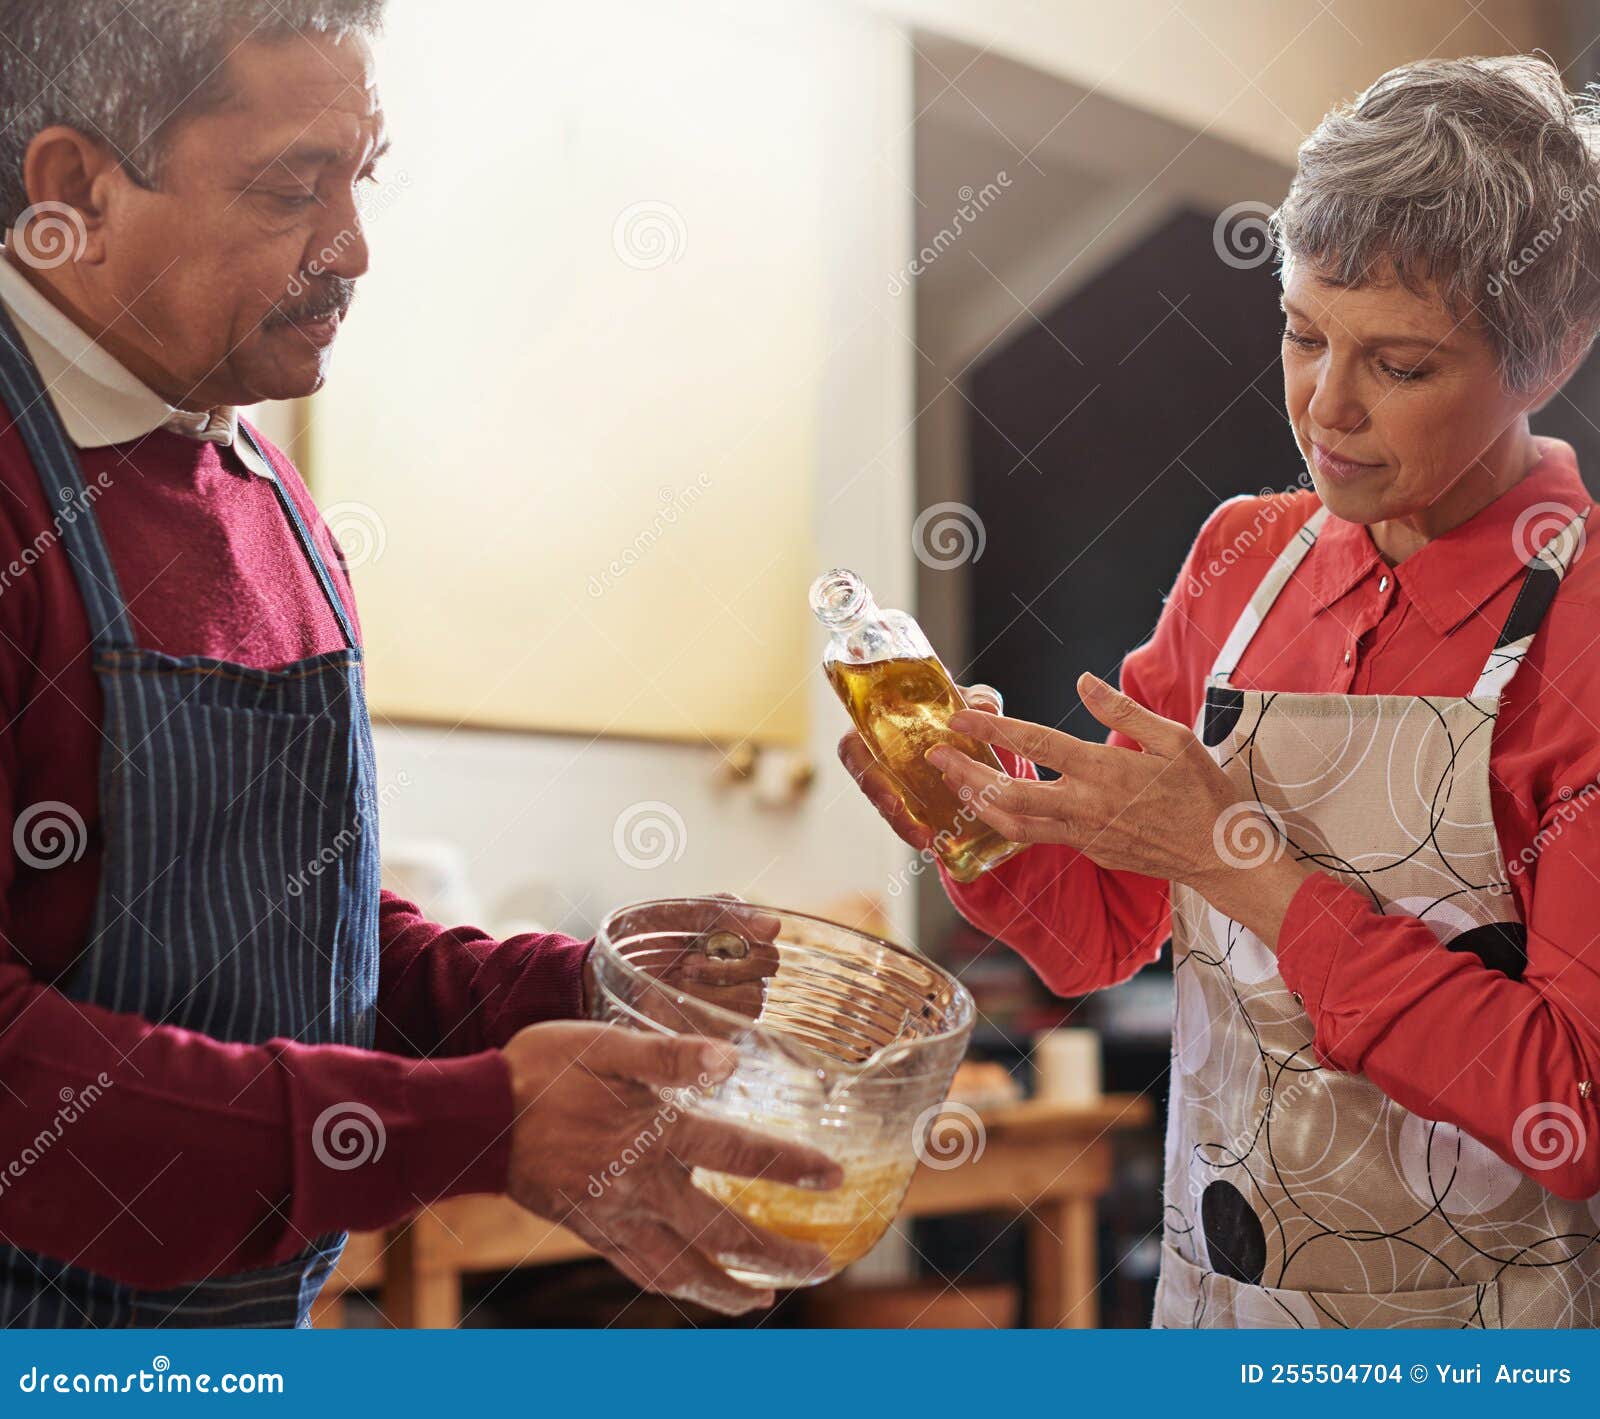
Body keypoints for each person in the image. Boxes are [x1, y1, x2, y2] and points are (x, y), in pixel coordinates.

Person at [0, 0, 838, 1327]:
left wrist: (580, 986)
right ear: (75, 190)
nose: (353, 250)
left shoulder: (265, 490)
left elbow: (302, 939)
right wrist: (471, 1125)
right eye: (293, 188)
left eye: (361, 178)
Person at [844, 54, 1600, 1327]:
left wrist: (1239, 862)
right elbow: (1099, 937)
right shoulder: (1243, 559)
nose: (1327, 408)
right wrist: (968, 812)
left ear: (1548, 352)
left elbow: (1571, 1105)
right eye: (1305, 333)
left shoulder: (1579, 627)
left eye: (1401, 366)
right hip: (1214, 1303)